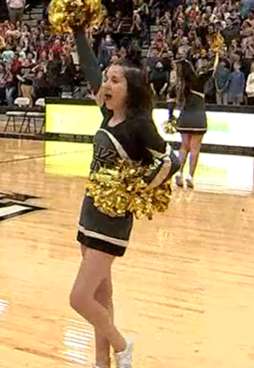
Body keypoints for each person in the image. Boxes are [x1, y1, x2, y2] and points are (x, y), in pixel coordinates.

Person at [71, 27, 178, 368]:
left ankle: (122, 345)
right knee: (101, 294)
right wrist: (78, 31)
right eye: (107, 78)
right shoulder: (108, 115)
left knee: (79, 298)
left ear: (130, 90)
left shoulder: (139, 125)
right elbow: (89, 67)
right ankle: (101, 363)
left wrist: (137, 188)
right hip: (89, 211)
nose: (106, 84)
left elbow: (170, 161)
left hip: (112, 221)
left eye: (115, 80)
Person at [174, 59, 210, 189]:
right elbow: (212, 70)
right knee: (195, 148)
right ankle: (190, 176)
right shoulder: (198, 81)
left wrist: (171, 116)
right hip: (198, 118)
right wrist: (217, 54)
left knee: (184, 146)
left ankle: (179, 172)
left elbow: (171, 102)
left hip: (185, 118)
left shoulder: (179, 86)